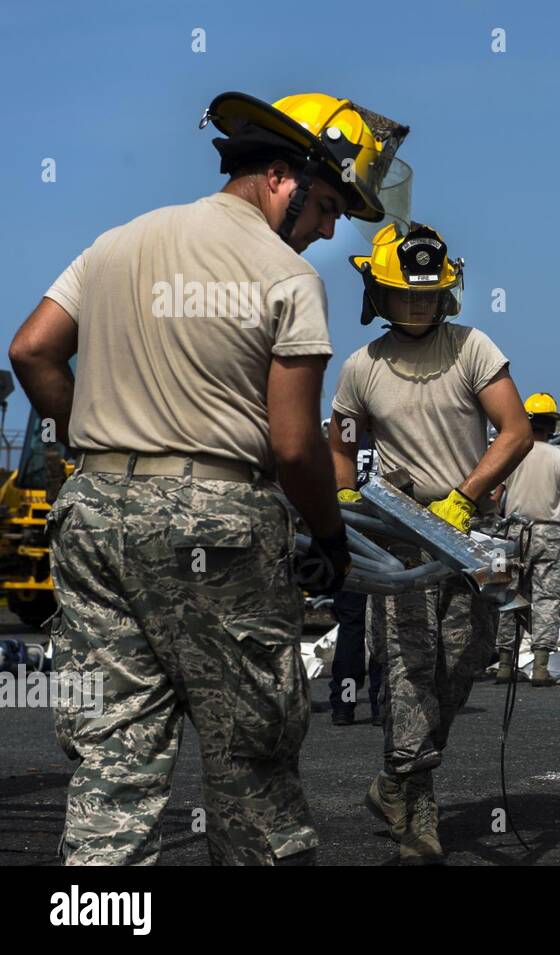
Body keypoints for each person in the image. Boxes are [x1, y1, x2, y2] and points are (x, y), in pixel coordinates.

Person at [7, 90, 406, 865]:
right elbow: (295, 447)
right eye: (327, 205)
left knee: (113, 764)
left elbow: (31, 350)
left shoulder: (118, 243)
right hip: (217, 521)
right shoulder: (286, 278)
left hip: (93, 515)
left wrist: (86, 442)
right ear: (281, 178)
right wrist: (329, 537)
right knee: (251, 756)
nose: (329, 229)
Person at [329, 221, 532, 863]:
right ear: (378, 294)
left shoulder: (473, 348)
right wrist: (343, 507)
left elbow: (516, 430)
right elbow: (341, 446)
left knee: (467, 654)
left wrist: (464, 497)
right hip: (399, 536)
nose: (418, 304)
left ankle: (392, 780)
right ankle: (417, 806)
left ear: (446, 293)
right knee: (410, 669)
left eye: (428, 294)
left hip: (465, 529)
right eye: (404, 293)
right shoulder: (361, 368)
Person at [494, 393, 560, 686]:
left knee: (507, 595)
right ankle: (541, 667)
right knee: (546, 598)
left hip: (512, 533)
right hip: (549, 534)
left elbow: (495, 496)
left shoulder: (512, 453)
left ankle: (505, 665)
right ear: (552, 424)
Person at [326, 425, 383, 725]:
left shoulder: (343, 445)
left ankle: (344, 705)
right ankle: (380, 704)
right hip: (387, 542)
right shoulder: (392, 437)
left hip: (349, 541)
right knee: (384, 627)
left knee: (351, 626)